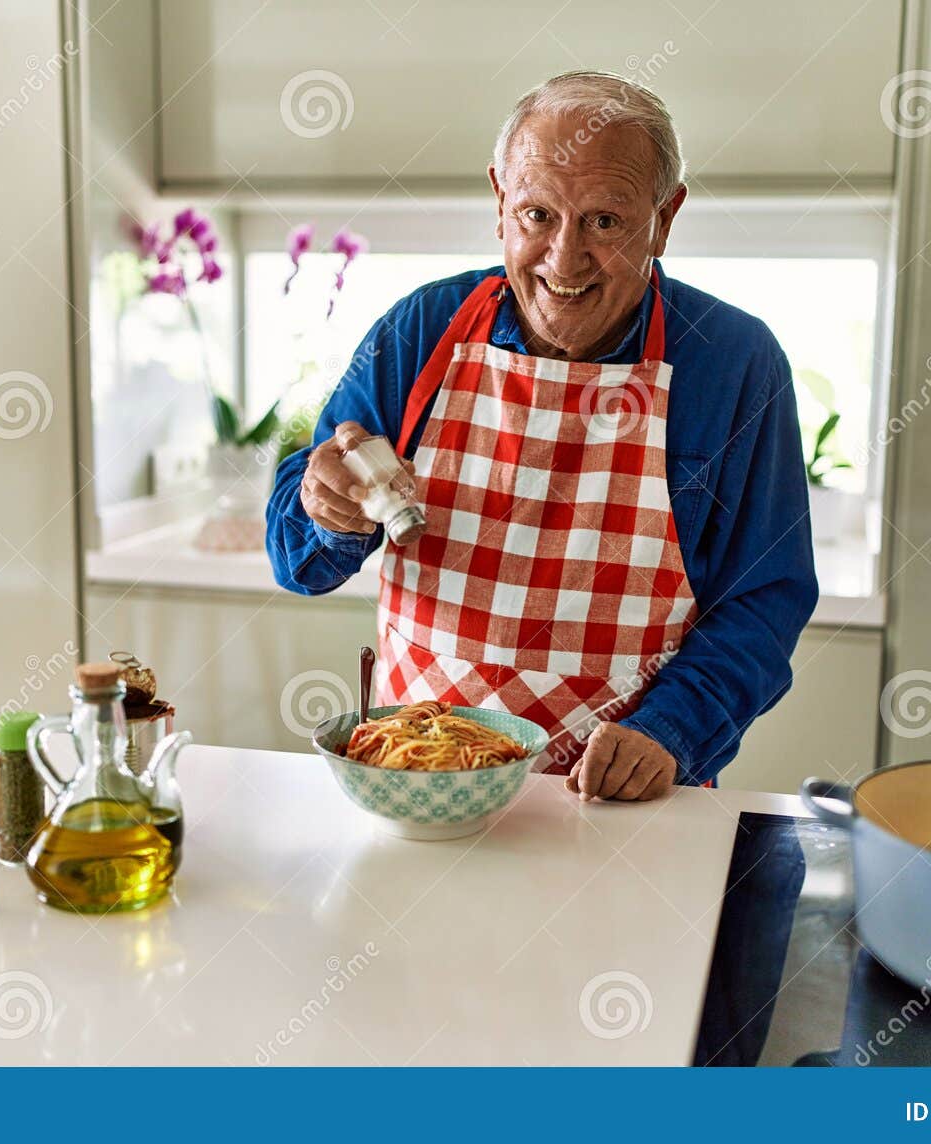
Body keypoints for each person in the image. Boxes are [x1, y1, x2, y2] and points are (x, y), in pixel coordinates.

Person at [268, 71, 818, 800]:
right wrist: (323, 508)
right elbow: (298, 561)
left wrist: (671, 731)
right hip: (421, 793)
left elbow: (764, 599)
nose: (564, 259)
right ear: (499, 199)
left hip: (624, 808)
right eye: (536, 215)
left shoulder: (736, 364)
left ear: (666, 215)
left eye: (606, 221)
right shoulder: (417, 332)